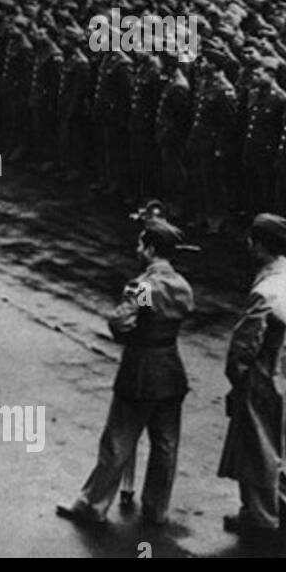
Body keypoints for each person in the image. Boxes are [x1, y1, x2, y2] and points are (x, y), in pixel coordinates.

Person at [57, 217, 195, 528]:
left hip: (141, 370)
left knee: (118, 440)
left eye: (140, 244)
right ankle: (156, 509)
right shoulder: (182, 286)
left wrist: (130, 332)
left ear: (149, 249)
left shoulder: (145, 286)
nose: (137, 249)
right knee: (165, 444)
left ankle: (92, 504)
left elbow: (121, 321)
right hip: (172, 368)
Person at [218, 213, 286, 538]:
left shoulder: (267, 291)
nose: (248, 245)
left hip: (265, 374)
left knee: (256, 448)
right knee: (274, 443)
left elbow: (243, 347)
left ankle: (261, 516)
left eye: (253, 240)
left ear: (262, 246)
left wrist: (238, 381)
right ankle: (284, 505)